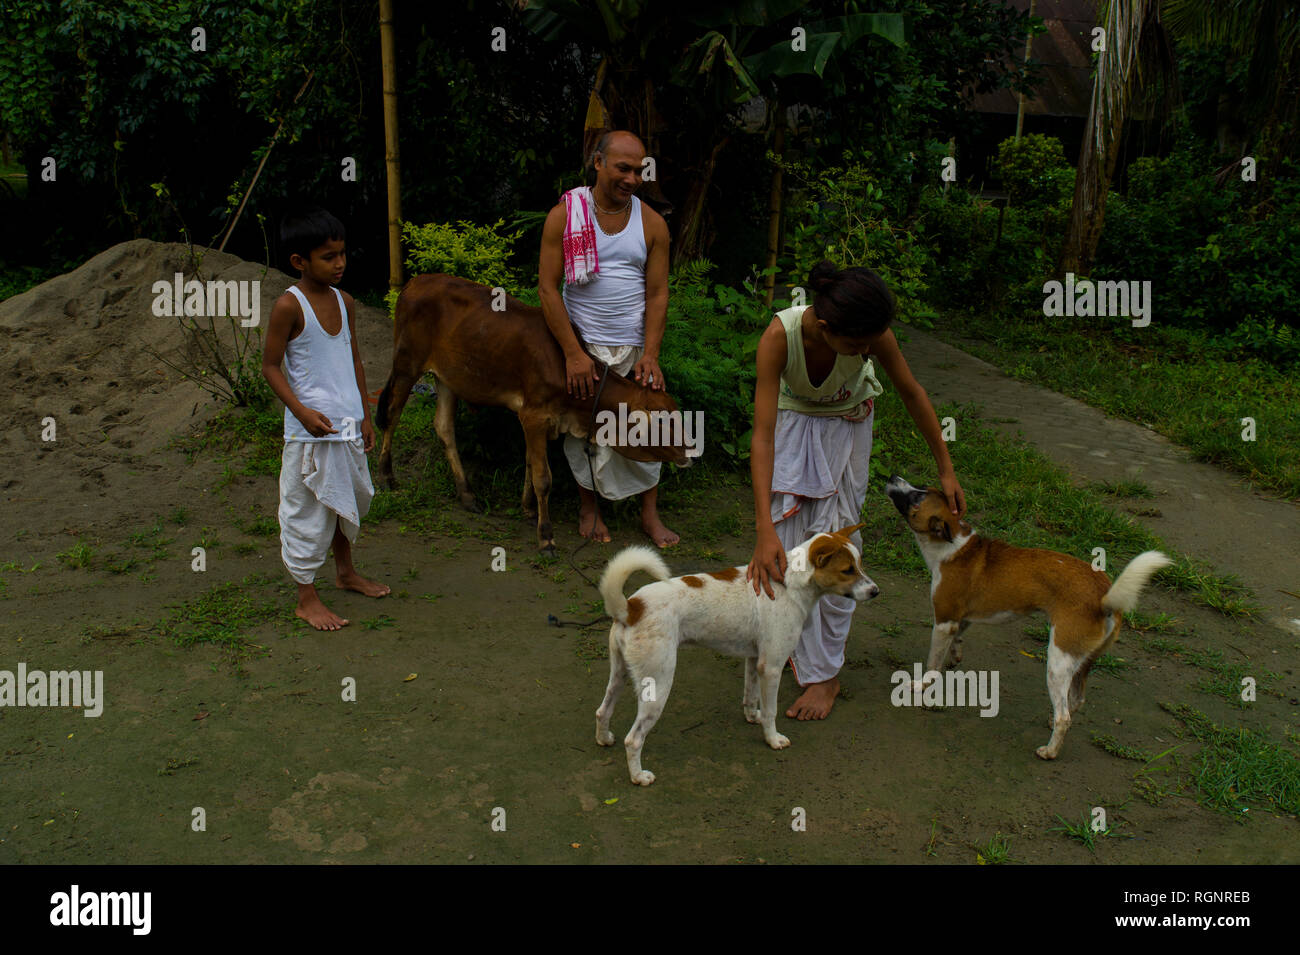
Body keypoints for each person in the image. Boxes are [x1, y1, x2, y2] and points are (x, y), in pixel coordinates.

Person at [746, 260, 966, 719]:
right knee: (787, 551)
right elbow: (762, 434)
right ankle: (793, 643)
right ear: (824, 326)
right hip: (792, 432)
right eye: (856, 346)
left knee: (840, 547)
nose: (866, 351)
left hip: (847, 432)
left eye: (870, 345)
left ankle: (824, 675)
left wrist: (946, 468)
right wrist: (763, 527)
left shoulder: (872, 334)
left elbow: (911, 393)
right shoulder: (778, 338)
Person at [537, 129, 679, 547]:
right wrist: (572, 353)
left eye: (638, 170)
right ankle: (589, 508)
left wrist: (650, 354)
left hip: (633, 349)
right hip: (581, 346)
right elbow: (547, 287)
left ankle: (649, 515)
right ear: (598, 163)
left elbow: (657, 293)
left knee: (647, 426)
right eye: (623, 168)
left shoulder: (651, 223)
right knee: (583, 432)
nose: (632, 178)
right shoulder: (565, 215)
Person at [262, 207, 389, 630]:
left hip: (347, 424)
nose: (340, 263)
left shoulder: (345, 302)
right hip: (308, 433)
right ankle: (305, 596)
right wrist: (300, 411)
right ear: (300, 261)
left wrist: (365, 415)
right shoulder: (288, 306)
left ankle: (346, 572)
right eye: (328, 256)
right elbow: (270, 367)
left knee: (343, 502)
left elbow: (352, 358)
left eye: (342, 254)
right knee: (304, 508)